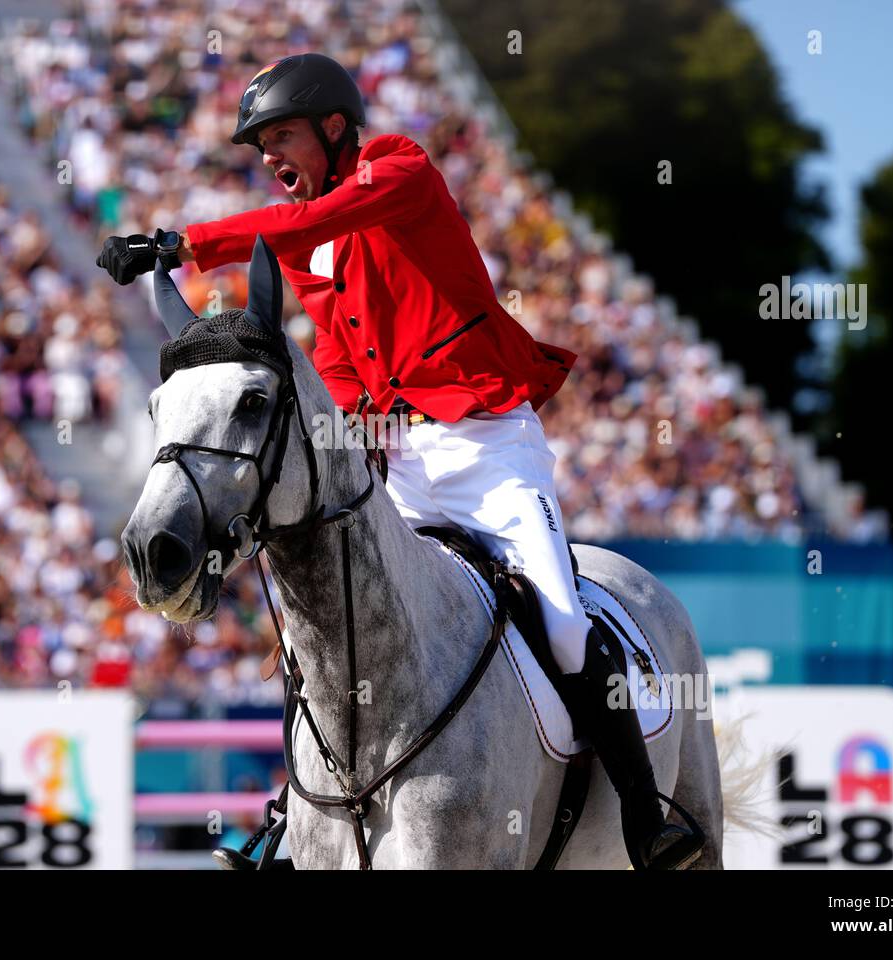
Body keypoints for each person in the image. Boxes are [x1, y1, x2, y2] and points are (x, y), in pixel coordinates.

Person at [96, 52, 700, 870]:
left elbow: (310, 225)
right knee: (335, 623)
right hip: (404, 462)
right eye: (259, 144)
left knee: (559, 614)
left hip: (487, 445)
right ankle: (292, 811)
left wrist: (187, 244)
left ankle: (644, 812)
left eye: (282, 136)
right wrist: (356, 432)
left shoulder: (399, 170)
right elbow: (342, 362)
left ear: (336, 129)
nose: (270, 157)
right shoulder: (314, 251)